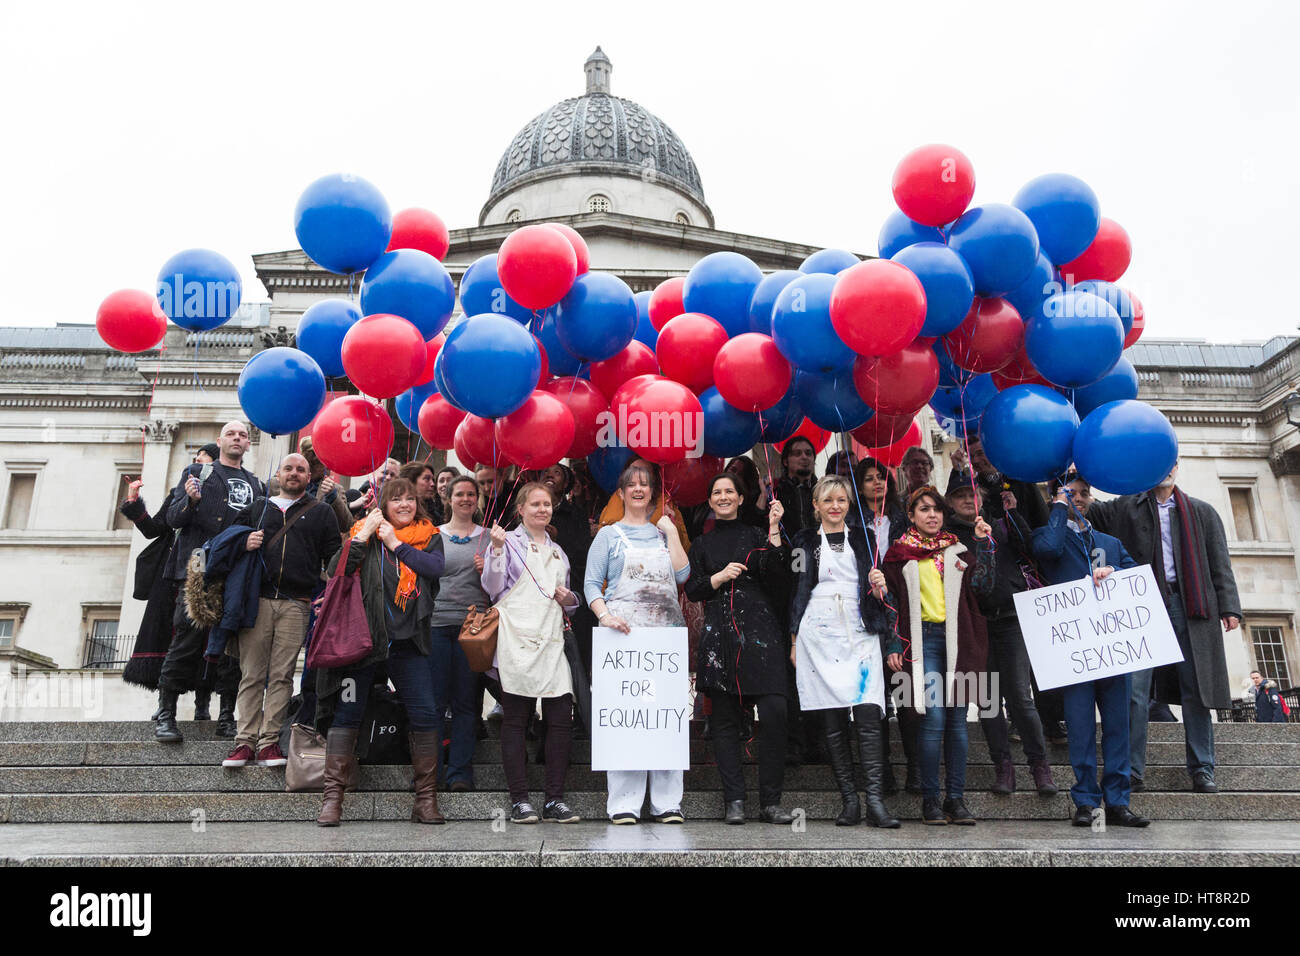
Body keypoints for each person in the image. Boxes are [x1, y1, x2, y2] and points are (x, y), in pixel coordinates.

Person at [1088, 461, 1243, 794]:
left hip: (1191, 606)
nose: (1165, 470)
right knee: (1135, 692)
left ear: (1177, 466)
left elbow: (1220, 562)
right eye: (1157, 462)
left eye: (1170, 463)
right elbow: (1090, 510)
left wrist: (1230, 607)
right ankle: (1131, 770)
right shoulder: (1126, 506)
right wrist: (1077, 470)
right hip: (1143, 607)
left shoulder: (1202, 511)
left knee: (1196, 691)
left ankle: (1202, 768)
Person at [315, 478, 447, 826]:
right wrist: (362, 536)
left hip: (408, 644)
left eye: (410, 500)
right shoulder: (365, 532)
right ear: (384, 505)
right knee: (347, 714)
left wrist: (396, 544)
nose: (404, 505)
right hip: (363, 645)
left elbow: (435, 570)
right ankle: (333, 800)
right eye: (396, 499)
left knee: (425, 715)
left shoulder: (429, 536)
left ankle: (426, 800)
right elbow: (336, 571)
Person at [1032, 472, 1149, 828]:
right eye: (1071, 493)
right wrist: (1058, 507)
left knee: (1117, 726)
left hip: (1111, 650)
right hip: (1075, 653)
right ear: (1057, 498)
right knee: (1081, 728)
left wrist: (1113, 572)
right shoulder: (1050, 536)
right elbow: (1047, 550)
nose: (1078, 498)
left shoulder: (1110, 543)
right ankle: (1085, 799)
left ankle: (1117, 801)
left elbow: (1137, 581)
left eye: (1083, 493)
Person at [789, 475, 900, 828]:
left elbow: (874, 582)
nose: (835, 506)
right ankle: (849, 801)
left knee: (868, 713)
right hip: (818, 633)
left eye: (841, 500)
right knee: (832, 718)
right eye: (828, 500)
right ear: (816, 506)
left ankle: (876, 802)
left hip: (859, 627)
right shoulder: (804, 541)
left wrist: (880, 586)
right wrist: (793, 639)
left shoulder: (864, 537)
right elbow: (797, 588)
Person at [881, 485, 994, 826]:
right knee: (932, 720)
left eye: (937, 510)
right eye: (924, 509)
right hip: (922, 641)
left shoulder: (958, 550)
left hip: (959, 639)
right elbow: (888, 605)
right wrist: (892, 644)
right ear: (911, 515)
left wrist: (984, 546)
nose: (932, 515)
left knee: (959, 722)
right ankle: (931, 801)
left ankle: (955, 800)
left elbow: (984, 588)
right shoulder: (898, 554)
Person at [585, 461, 691, 824]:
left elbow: (683, 574)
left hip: (664, 643)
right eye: (632, 484)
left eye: (645, 485)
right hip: (623, 641)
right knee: (626, 723)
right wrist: (605, 616)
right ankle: (624, 804)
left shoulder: (664, 533)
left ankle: (667, 803)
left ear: (653, 494)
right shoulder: (608, 536)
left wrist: (673, 532)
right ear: (621, 493)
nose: (639, 490)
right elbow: (590, 585)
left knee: (664, 721)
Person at [221, 454, 342, 768]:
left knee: (282, 676)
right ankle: (243, 742)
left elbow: (333, 559)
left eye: (301, 469)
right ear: (278, 473)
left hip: (296, 604)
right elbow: (226, 545)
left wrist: (328, 592)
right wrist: (244, 542)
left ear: (307, 476)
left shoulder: (322, 512)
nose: (294, 473)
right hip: (256, 602)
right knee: (251, 674)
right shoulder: (257, 508)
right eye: (288, 468)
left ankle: (269, 742)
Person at [685, 473, 793, 824]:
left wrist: (775, 528)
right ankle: (734, 800)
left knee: (775, 711)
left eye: (729, 490)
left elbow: (778, 575)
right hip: (720, 635)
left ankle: (771, 802)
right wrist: (719, 577)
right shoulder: (702, 544)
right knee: (725, 720)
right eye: (716, 492)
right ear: (710, 500)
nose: (723, 496)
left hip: (760, 630)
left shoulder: (757, 533)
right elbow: (694, 589)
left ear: (741, 498)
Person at [944, 472, 1058, 797]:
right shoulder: (948, 536)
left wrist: (1012, 512)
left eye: (972, 494)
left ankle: (1040, 766)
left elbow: (1029, 546)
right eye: (960, 495)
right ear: (950, 502)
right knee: (987, 699)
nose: (968, 500)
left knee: (1021, 697)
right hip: (976, 624)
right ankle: (1003, 767)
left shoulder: (998, 520)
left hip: (1011, 618)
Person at [481, 482, 583, 824]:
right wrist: (495, 551)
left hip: (552, 641)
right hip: (517, 640)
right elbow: (493, 588)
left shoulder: (559, 552)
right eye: (535, 504)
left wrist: (570, 600)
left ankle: (555, 799)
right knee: (516, 719)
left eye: (547, 504)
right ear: (520, 509)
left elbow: (568, 603)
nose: (543, 509)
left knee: (560, 719)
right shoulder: (507, 541)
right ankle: (520, 800)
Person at [155, 422, 262, 742]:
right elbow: (172, 519)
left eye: (243, 435)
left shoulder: (255, 484)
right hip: (198, 566)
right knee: (186, 641)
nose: (237, 438)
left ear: (247, 445)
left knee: (233, 647)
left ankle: (227, 716)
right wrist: (189, 501)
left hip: (237, 569)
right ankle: (166, 713)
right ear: (220, 441)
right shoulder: (196, 473)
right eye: (231, 434)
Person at [120, 446, 215, 716]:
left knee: (204, 636)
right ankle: (165, 703)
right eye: (194, 460)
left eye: (202, 460)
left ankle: (203, 703)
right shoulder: (177, 495)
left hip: (204, 568)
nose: (195, 464)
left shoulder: (222, 495)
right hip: (171, 572)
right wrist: (133, 501)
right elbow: (153, 529)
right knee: (167, 638)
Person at [853, 455, 916, 792]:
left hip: (903, 612)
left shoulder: (904, 520)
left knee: (906, 695)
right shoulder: (851, 523)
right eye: (868, 478)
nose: (877, 482)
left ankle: (917, 770)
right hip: (866, 617)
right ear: (859, 486)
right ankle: (883, 773)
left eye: (882, 477)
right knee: (873, 698)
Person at [429, 475, 490, 791]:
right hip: (436, 626)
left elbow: (503, 584)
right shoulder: (432, 535)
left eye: (471, 494)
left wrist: (488, 571)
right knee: (436, 703)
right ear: (448, 499)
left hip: (474, 629)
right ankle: (433, 773)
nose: (466, 499)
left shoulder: (490, 538)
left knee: (467, 704)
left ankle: (460, 774)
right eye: (460, 494)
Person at [774, 436, 817, 535]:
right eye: (797, 453)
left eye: (808, 453)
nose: (804, 457)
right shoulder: (775, 491)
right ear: (785, 461)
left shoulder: (823, 491)